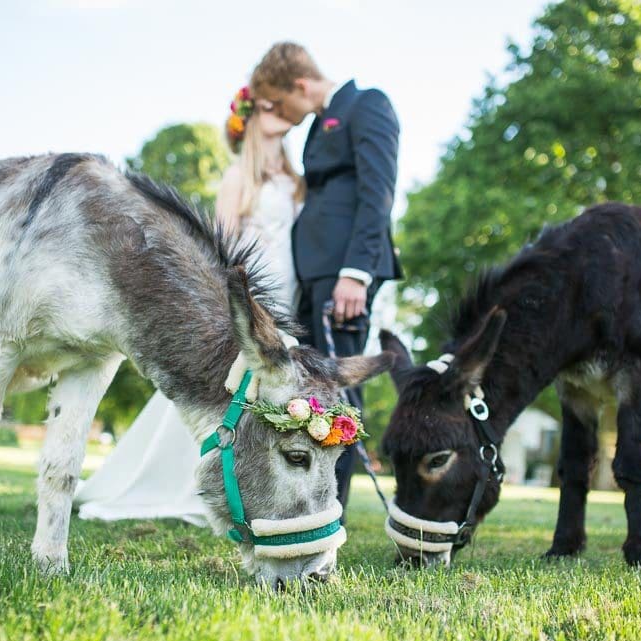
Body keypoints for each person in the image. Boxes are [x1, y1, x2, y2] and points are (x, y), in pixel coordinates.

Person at [73, 86, 303, 523]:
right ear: (248, 122)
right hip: (251, 291)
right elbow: (224, 248)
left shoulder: (296, 183)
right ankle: (194, 481)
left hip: (289, 290)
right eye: (265, 111)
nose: (276, 118)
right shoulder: (238, 177)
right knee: (222, 387)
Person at [250, 42, 402, 513]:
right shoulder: (316, 125)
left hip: (344, 277)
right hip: (311, 278)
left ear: (300, 84)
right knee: (308, 390)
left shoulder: (367, 104)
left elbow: (379, 191)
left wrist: (355, 273)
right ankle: (304, 500)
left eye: (280, 101)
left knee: (339, 391)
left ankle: (331, 511)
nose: (281, 111)